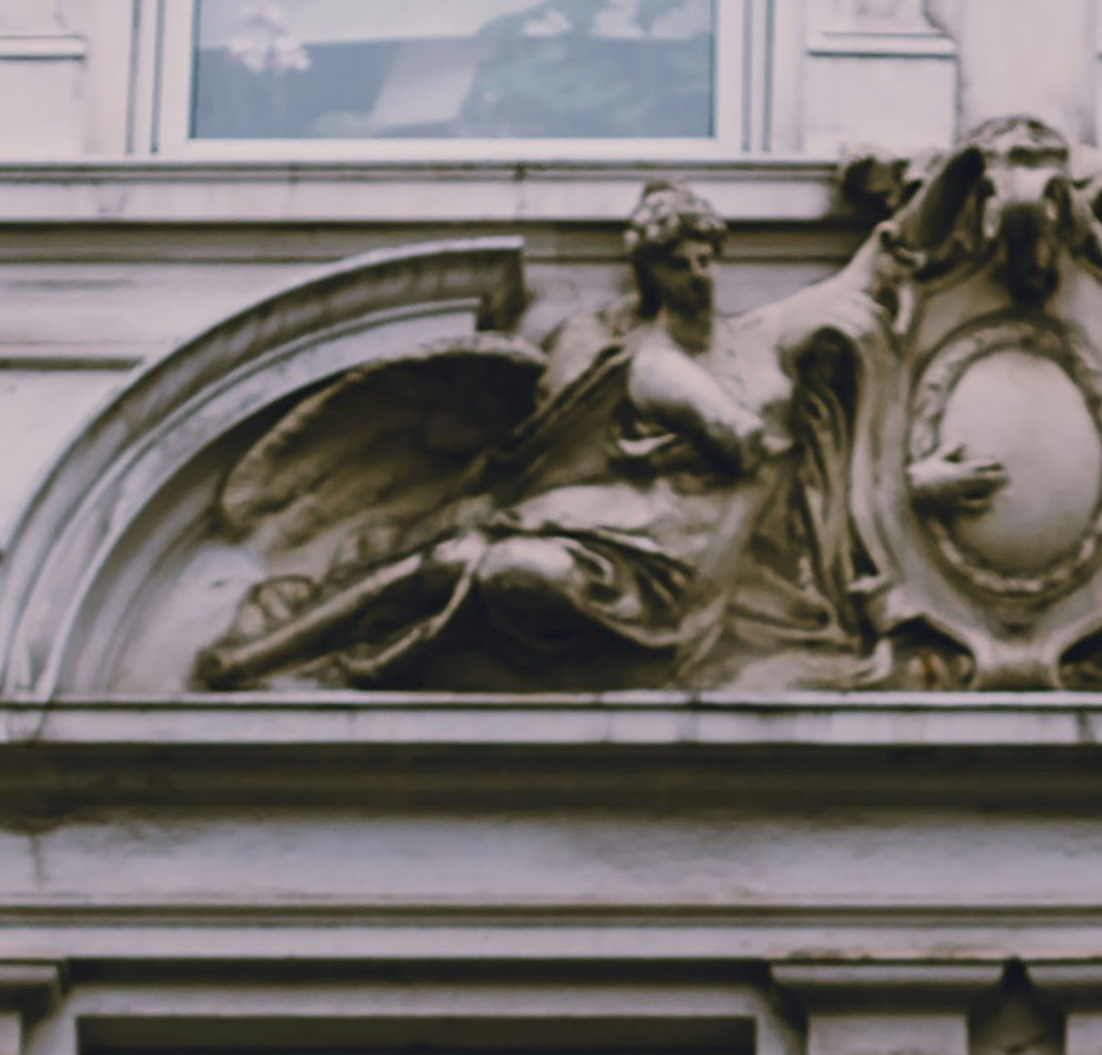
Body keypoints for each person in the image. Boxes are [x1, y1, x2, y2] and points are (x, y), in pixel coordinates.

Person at [196, 181, 898, 689]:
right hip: (614, 521)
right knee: (451, 560)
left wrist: (930, 185)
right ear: (648, 272)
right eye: (677, 262)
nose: (697, 275)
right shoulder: (622, 355)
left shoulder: (759, 339)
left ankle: (389, 648)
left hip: (690, 551)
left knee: (503, 570)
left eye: (706, 257)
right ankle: (270, 654)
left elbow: (878, 268)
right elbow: (547, 447)